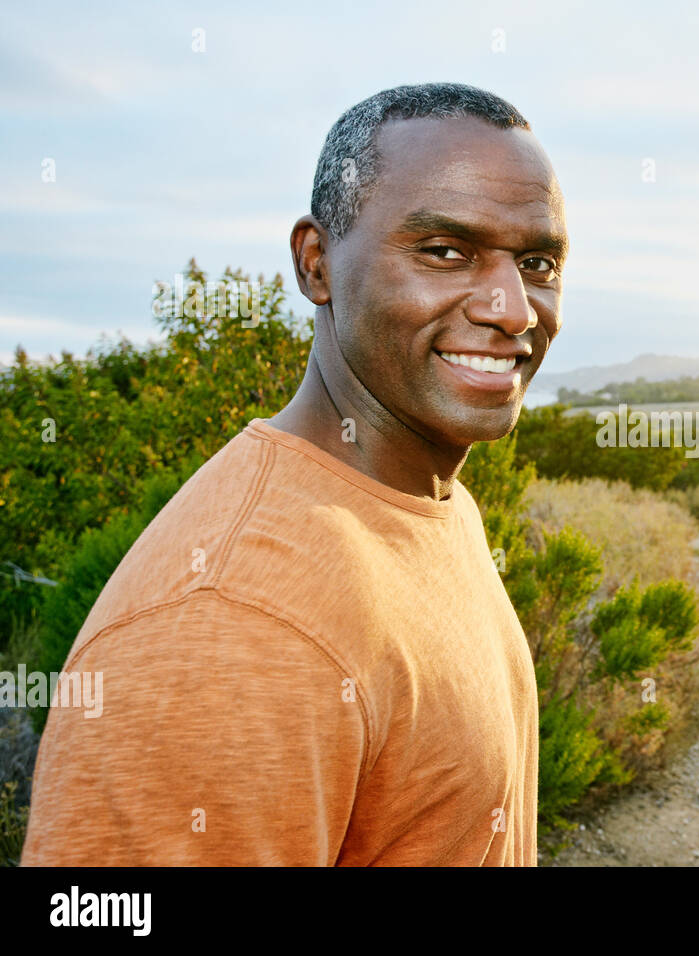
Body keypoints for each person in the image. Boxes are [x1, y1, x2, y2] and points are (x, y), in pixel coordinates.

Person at [22, 82, 567, 866]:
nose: (513, 309)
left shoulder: (429, 501)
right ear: (317, 265)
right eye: (445, 252)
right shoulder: (230, 626)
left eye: (538, 261)